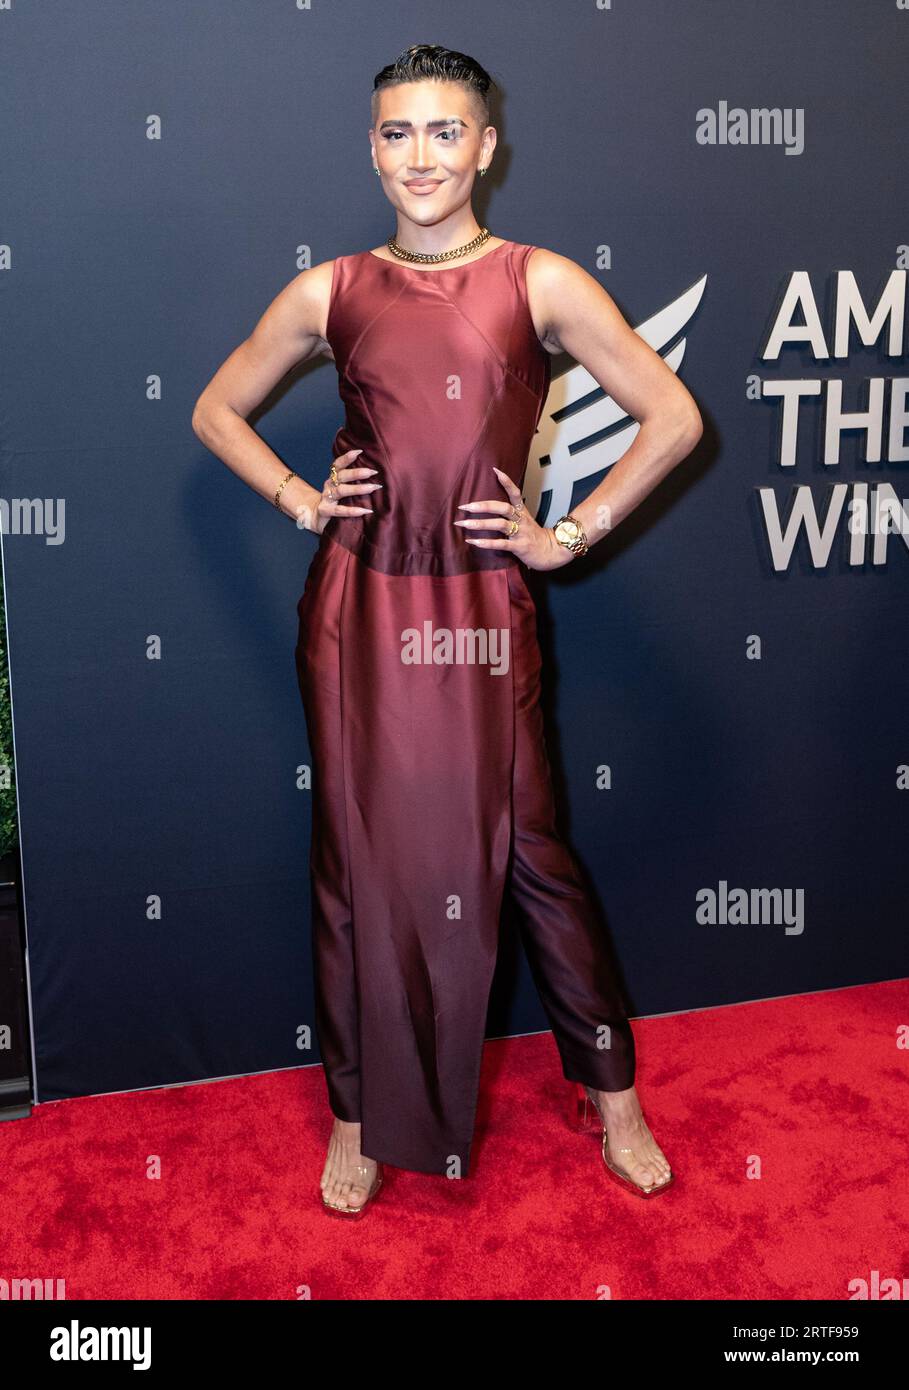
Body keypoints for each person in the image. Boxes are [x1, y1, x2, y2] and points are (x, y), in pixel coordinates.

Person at [192, 44, 702, 1217]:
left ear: (486, 145)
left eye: (443, 131)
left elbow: (672, 415)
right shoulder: (329, 291)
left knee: (531, 851)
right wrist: (300, 498)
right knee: (353, 858)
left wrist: (569, 534)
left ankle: (616, 1096)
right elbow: (216, 409)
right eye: (396, 132)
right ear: (372, 150)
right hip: (359, 605)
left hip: (480, 607)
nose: (419, 156)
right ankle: (356, 1114)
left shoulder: (542, 281)